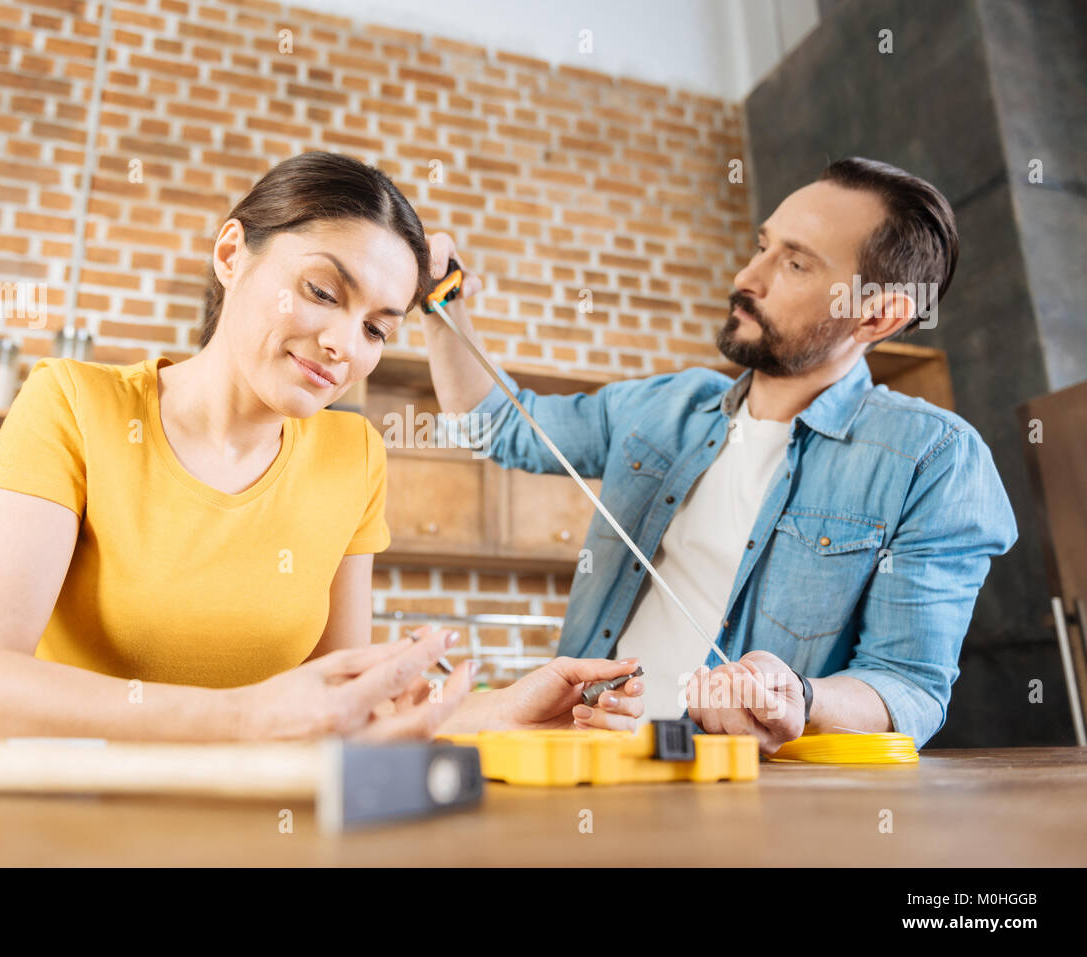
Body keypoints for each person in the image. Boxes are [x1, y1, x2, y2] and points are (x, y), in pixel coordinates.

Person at [0, 151, 643, 745]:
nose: (343, 347)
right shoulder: (75, 405)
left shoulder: (352, 454)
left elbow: (341, 710)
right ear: (232, 253)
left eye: (376, 328)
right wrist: (245, 717)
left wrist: (500, 711)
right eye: (323, 291)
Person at [422, 157, 1019, 754]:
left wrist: (799, 697)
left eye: (794, 263)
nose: (746, 276)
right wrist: (441, 300)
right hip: (587, 766)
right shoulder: (662, 406)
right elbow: (491, 425)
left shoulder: (934, 458)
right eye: (762, 246)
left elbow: (908, 687)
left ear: (878, 313)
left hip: (753, 808)